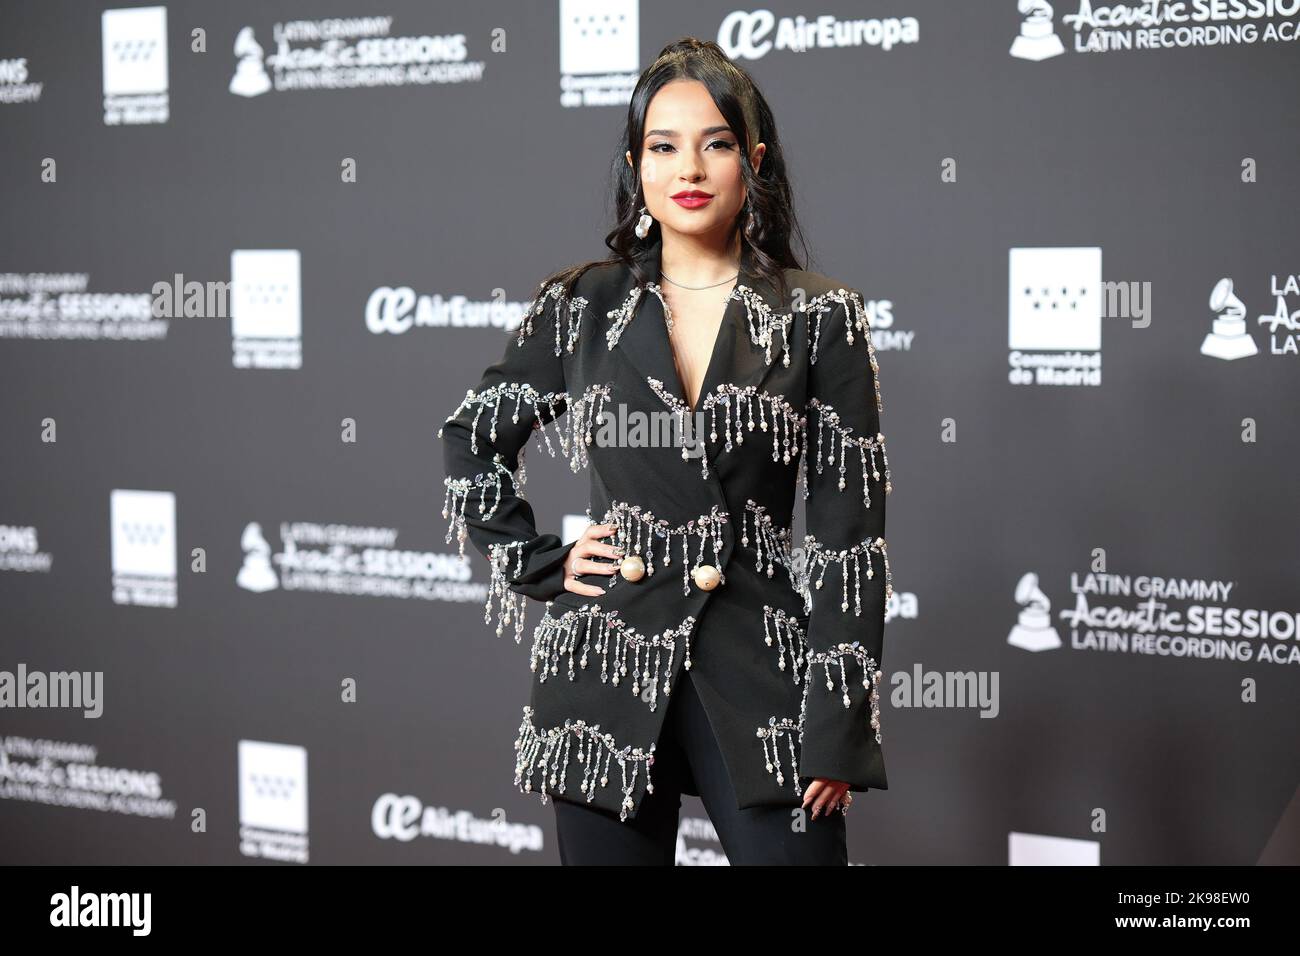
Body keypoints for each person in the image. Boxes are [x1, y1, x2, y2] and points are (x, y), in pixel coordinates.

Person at [439, 37, 892, 865]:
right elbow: (473, 436)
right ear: (636, 164)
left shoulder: (819, 317)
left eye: (715, 143)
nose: (690, 167)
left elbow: (848, 538)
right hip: (603, 669)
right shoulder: (583, 304)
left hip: (759, 669)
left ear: (751, 161)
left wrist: (836, 723)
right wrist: (538, 561)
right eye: (663, 145)